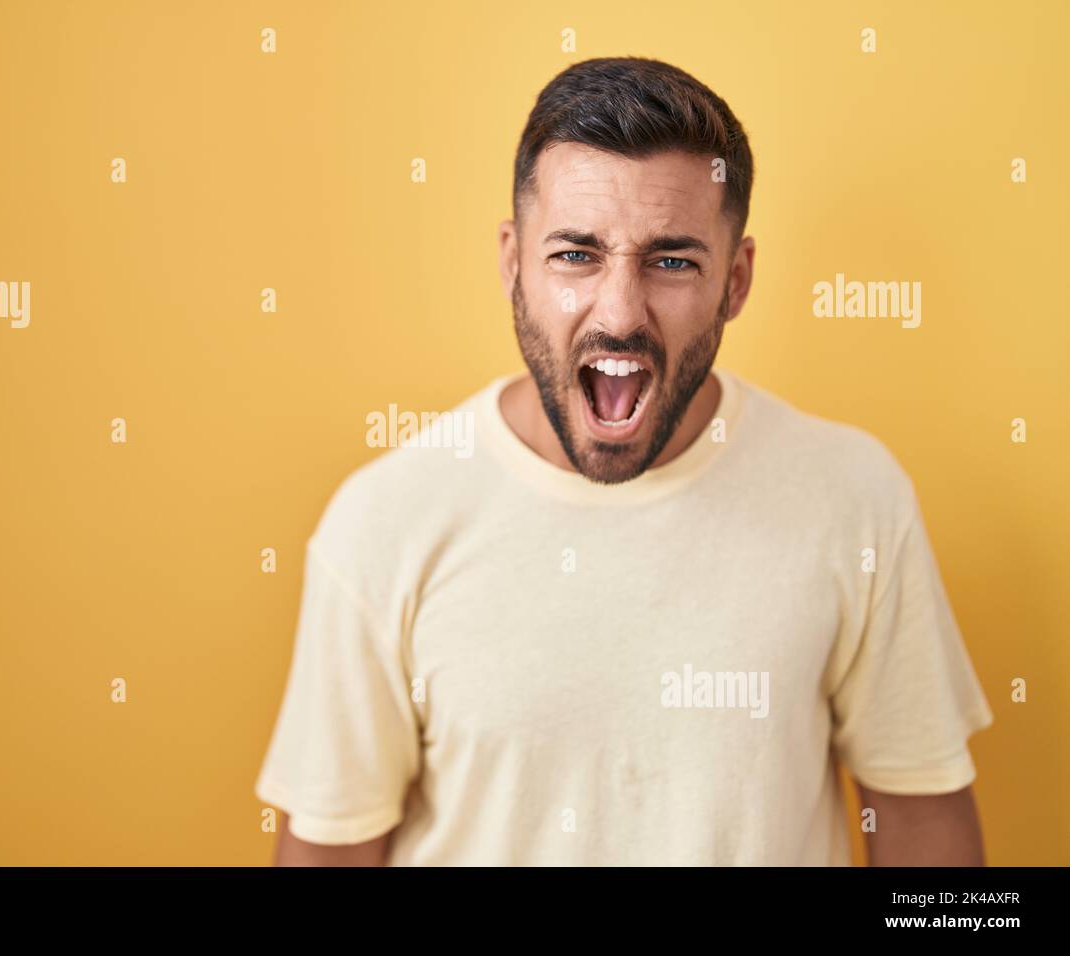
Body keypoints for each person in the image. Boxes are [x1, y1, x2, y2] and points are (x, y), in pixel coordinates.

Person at [255, 56, 993, 866]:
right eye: (576, 255)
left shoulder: (854, 497)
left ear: (736, 281)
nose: (619, 312)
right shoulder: (384, 520)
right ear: (512, 263)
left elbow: (922, 826)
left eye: (672, 261)